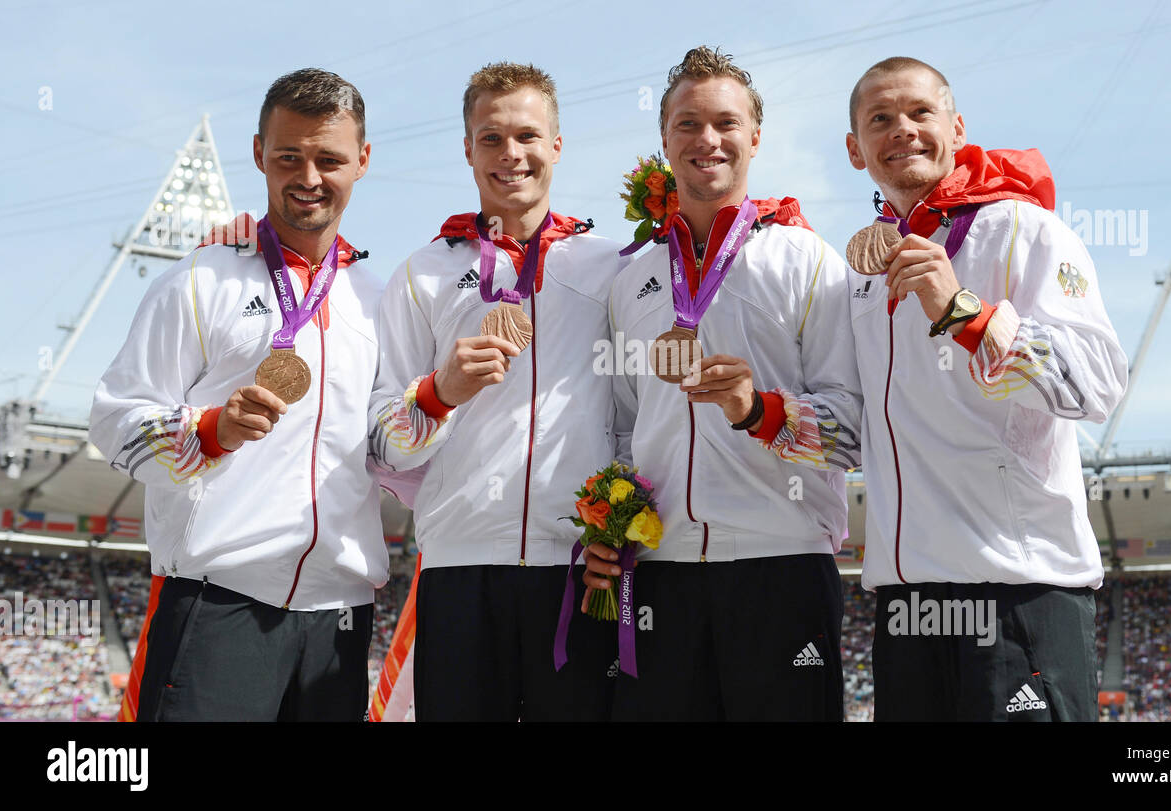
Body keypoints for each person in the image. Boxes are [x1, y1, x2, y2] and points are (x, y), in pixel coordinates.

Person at [90, 68, 386, 721]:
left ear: (362, 161)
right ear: (258, 154)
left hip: (340, 614)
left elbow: (391, 446)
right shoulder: (200, 280)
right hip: (218, 599)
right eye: (289, 156)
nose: (308, 176)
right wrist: (208, 430)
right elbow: (113, 419)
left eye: (329, 159)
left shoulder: (378, 300)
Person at [581, 46, 863, 721]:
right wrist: (608, 520)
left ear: (755, 138)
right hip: (658, 572)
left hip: (783, 563)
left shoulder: (806, 260)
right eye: (687, 124)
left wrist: (758, 410)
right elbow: (621, 433)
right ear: (664, 140)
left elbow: (852, 431)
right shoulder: (630, 279)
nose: (707, 139)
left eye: (726, 123)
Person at [843, 56, 1129, 721]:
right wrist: (753, 408)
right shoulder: (858, 277)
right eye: (880, 119)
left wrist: (966, 314)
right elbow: (856, 428)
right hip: (908, 605)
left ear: (957, 125)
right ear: (856, 150)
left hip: (1021, 594)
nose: (902, 130)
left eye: (920, 112)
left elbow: (1097, 383)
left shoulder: (1024, 231)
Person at [367, 62, 622, 721]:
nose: (512, 154)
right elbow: (381, 445)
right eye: (491, 138)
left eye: (529, 136)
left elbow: (639, 418)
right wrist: (438, 394)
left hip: (578, 571)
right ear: (467, 148)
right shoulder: (421, 274)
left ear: (557, 146)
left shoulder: (611, 266)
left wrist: (626, 529)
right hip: (458, 572)